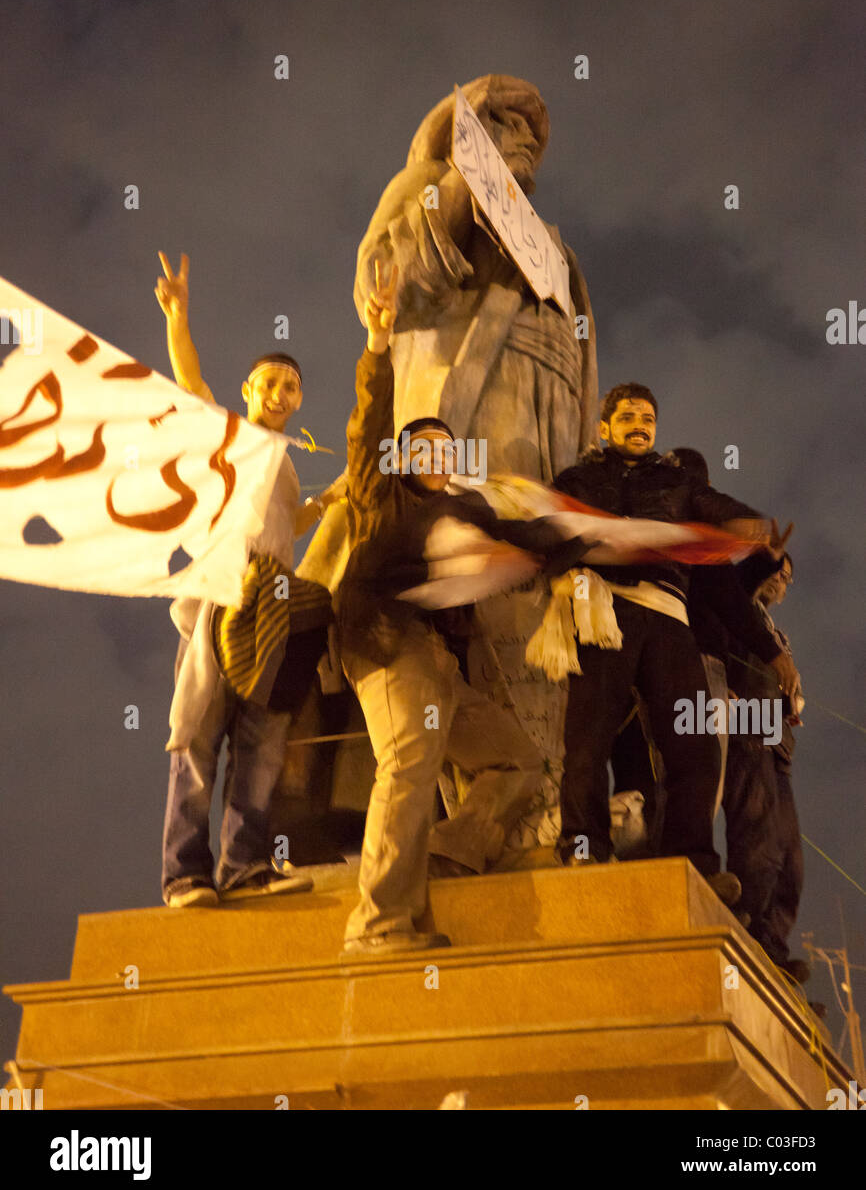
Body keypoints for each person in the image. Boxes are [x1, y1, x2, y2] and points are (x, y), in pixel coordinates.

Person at [303, 75, 598, 848]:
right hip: (462, 416)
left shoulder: (556, 247)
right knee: (472, 602)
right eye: (506, 127)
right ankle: (488, 824)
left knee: (535, 604)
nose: (526, 142)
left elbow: (583, 358)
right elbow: (390, 275)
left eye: (534, 135)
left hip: (544, 430)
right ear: (469, 134)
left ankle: (534, 811)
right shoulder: (428, 189)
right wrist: (467, 174)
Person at [338, 262, 584, 958]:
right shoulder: (379, 497)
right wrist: (378, 347)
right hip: (391, 647)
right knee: (408, 768)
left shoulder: (462, 516)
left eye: (446, 449)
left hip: (447, 668)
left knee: (516, 762)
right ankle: (377, 923)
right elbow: (367, 425)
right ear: (403, 454)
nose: (437, 456)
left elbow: (518, 547)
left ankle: (446, 854)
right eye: (424, 447)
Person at [154, 251, 344, 908]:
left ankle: (242, 865)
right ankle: (183, 874)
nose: (281, 394)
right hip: (217, 604)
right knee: (198, 737)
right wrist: (179, 316)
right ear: (247, 391)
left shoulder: (288, 467)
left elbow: (281, 531)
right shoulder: (226, 435)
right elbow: (188, 379)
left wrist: (326, 504)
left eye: (291, 387)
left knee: (262, 748)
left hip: (274, 611)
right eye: (269, 382)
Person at [553, 384, 774, 905]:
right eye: (627, 415)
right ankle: (583, 846)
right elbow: (544, 525)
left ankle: (694, 861)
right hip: (602, 614)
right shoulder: (578, 479)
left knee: (695, 747)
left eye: (648, 418)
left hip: (668, 618)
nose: (639, 424)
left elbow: (720, 509)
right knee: (587, 741)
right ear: (604, 428)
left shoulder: (677, 482)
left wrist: (751, 526)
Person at [724, 552, 808, 979]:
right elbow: (746, 575)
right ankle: (747, 929)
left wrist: (789, 706)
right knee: (758, 842)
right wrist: (767, 554)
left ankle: (772, 944)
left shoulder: (775, 631)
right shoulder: (736, 608)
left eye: (790, 579)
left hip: (778, 744)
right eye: (781, 572)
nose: (784, 582)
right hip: (744, 730)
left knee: (791, 859)